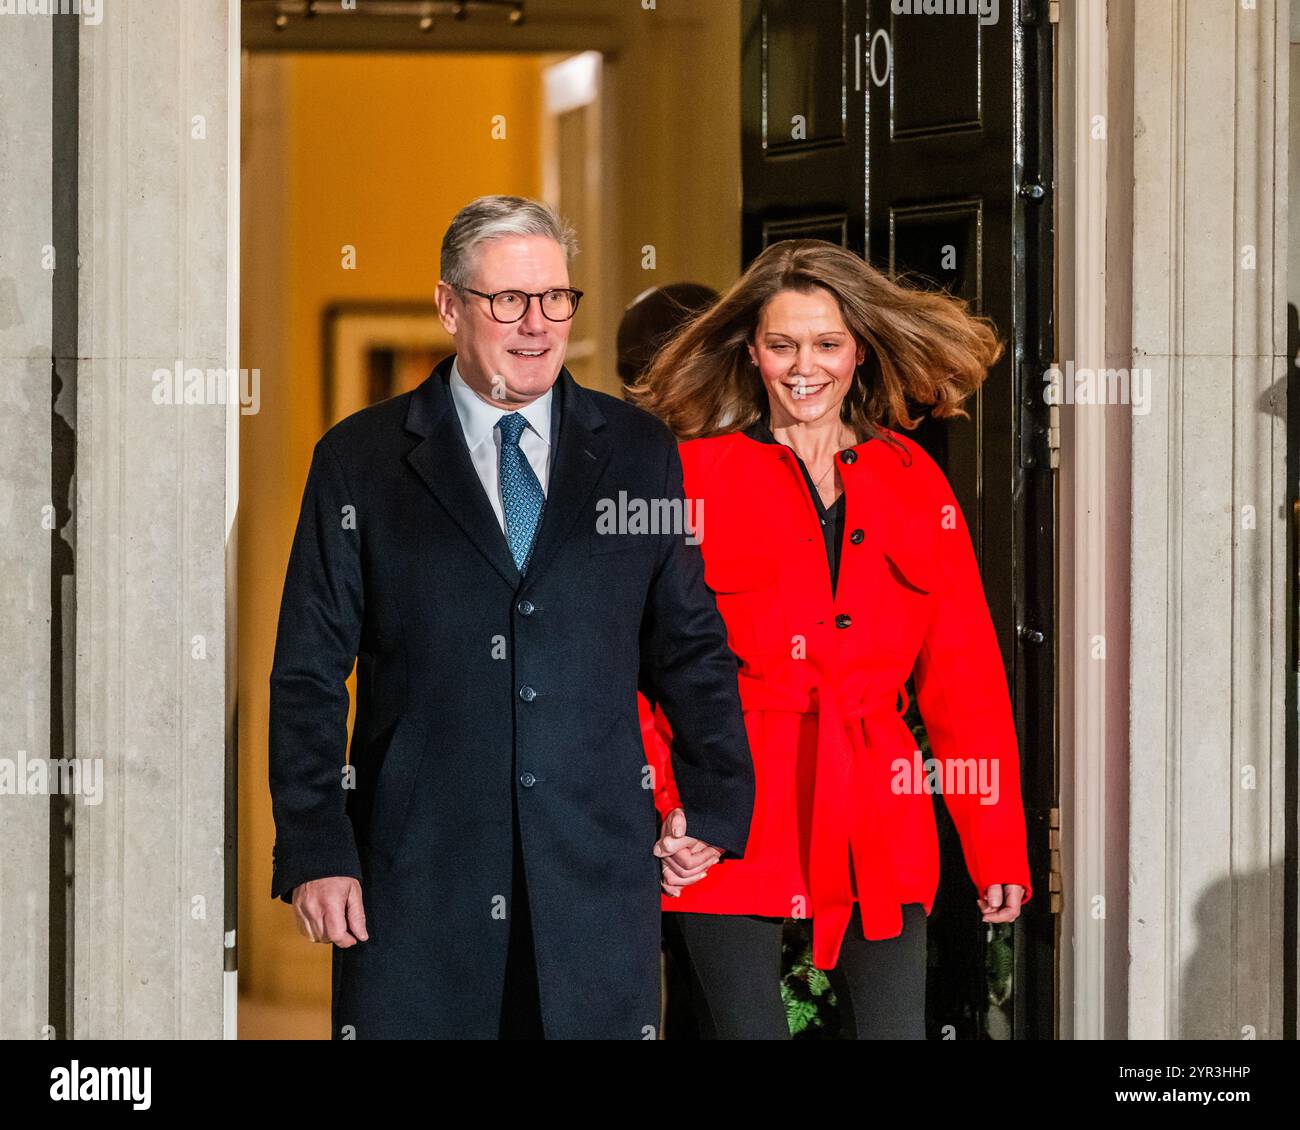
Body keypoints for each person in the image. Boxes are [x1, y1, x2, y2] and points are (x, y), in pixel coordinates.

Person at [268, 194, 755, 1040]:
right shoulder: (361, 460)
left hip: (596, 880)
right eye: (509, 301)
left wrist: (714, 800)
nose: (538, 325)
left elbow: (688, 643)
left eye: (556, 299)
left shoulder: (638, 452)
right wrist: (315, 847)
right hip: (418, 881)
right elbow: (309, 672)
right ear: (451, 306)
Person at [630, 238, 1033, 1040]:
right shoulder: (690, 476)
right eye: (781, 345)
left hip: (879, 808)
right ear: (751, 353)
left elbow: (964, 679)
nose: (802, 367)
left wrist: (997, 846)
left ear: (858, 351)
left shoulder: (915, 479)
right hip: (727, 804)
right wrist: (671, 810)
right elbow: (640, 666)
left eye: (826, 344)